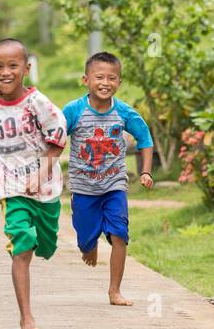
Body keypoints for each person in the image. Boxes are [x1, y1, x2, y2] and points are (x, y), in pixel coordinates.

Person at [0, 38, 67, 329]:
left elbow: (58, 139)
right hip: (11, 187)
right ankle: (26, 318)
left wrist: (41, 174)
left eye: (13, 66)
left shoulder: (39, 103)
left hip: (45, 188)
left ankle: (43, 242)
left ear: (26, 68)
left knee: (44, 245)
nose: (5, 72)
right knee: (22, 245)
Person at [62, 51, 154, 306]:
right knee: (85, 240)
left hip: (114, 184)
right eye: (99, 77)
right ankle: (89, 244)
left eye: (111, 78)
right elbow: (55, 138)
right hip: (82, 187)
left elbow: (145, 139)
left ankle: (115, 291)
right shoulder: (73, 111)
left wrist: (145, 171)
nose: (105, 83)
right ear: (86, 80)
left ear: (119, 83)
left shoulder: (124, 112)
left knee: (120, 235)